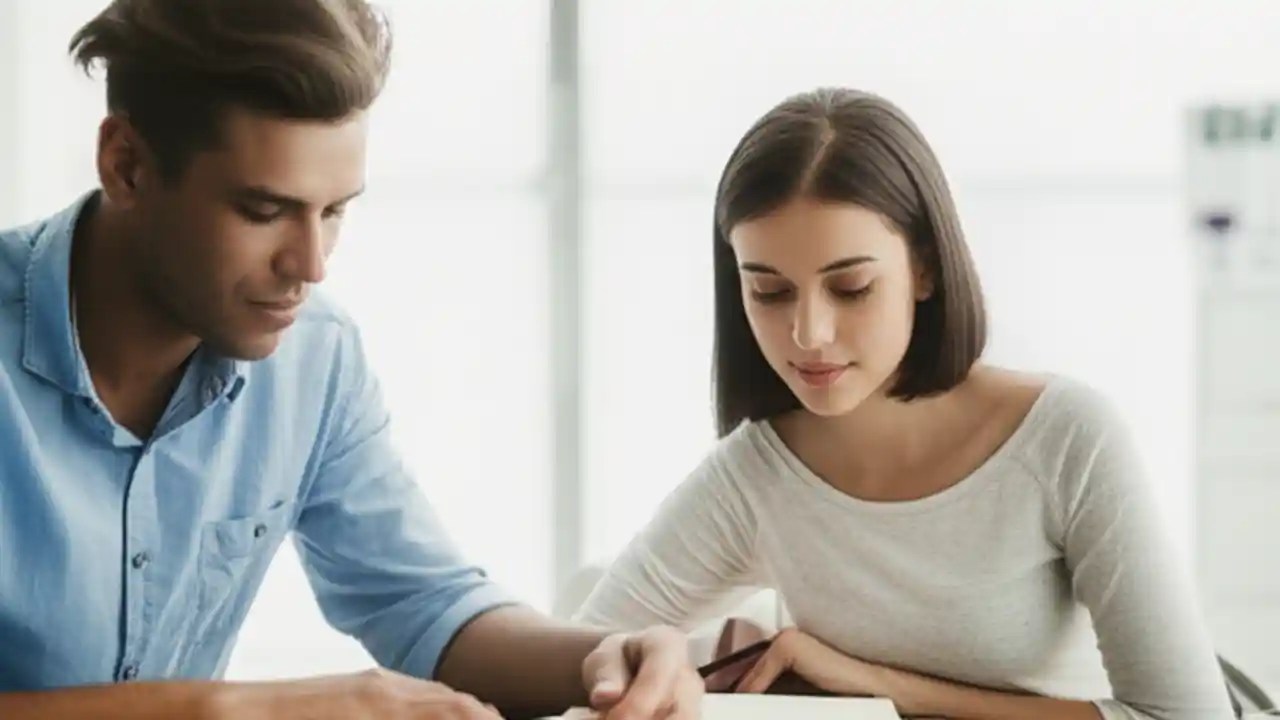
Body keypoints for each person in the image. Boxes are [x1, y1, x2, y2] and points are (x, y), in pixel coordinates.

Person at [0, 2, 701, 718]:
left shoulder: (313, 356)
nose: (310, 265)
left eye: (333, 211)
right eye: (263, 211)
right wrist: (230, 710)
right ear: (127, 166)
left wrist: (603, 657)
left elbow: (427, 606)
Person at [573, 88, 1234, 720]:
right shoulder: (755, 477)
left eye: (852, 288)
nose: (809, 334)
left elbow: (1185, 715)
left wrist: (885, 688)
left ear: (924, 268)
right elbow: (579, 654)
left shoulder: (1065, 440)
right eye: (769, 293)